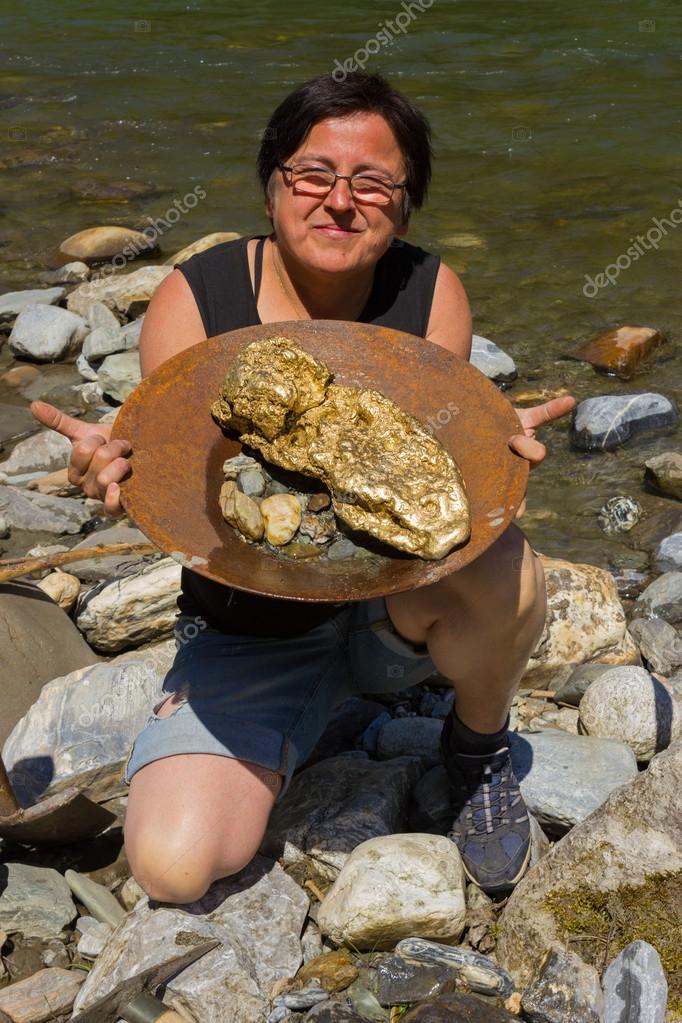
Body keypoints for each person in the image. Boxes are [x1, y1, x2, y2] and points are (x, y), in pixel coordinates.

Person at [32, 72, 575, 900]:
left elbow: (427, 475)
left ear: (405, 202)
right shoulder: (199, 299)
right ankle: (293, 714)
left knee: (507, 566)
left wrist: (490, 464)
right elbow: (177, 479)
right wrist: (110, 468)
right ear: (273, 185)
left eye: (373, 182)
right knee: (171, 868)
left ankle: (475, 745)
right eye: (314, 174)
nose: (340, 201)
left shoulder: (428, 295)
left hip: (392, 611)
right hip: (249, 630)